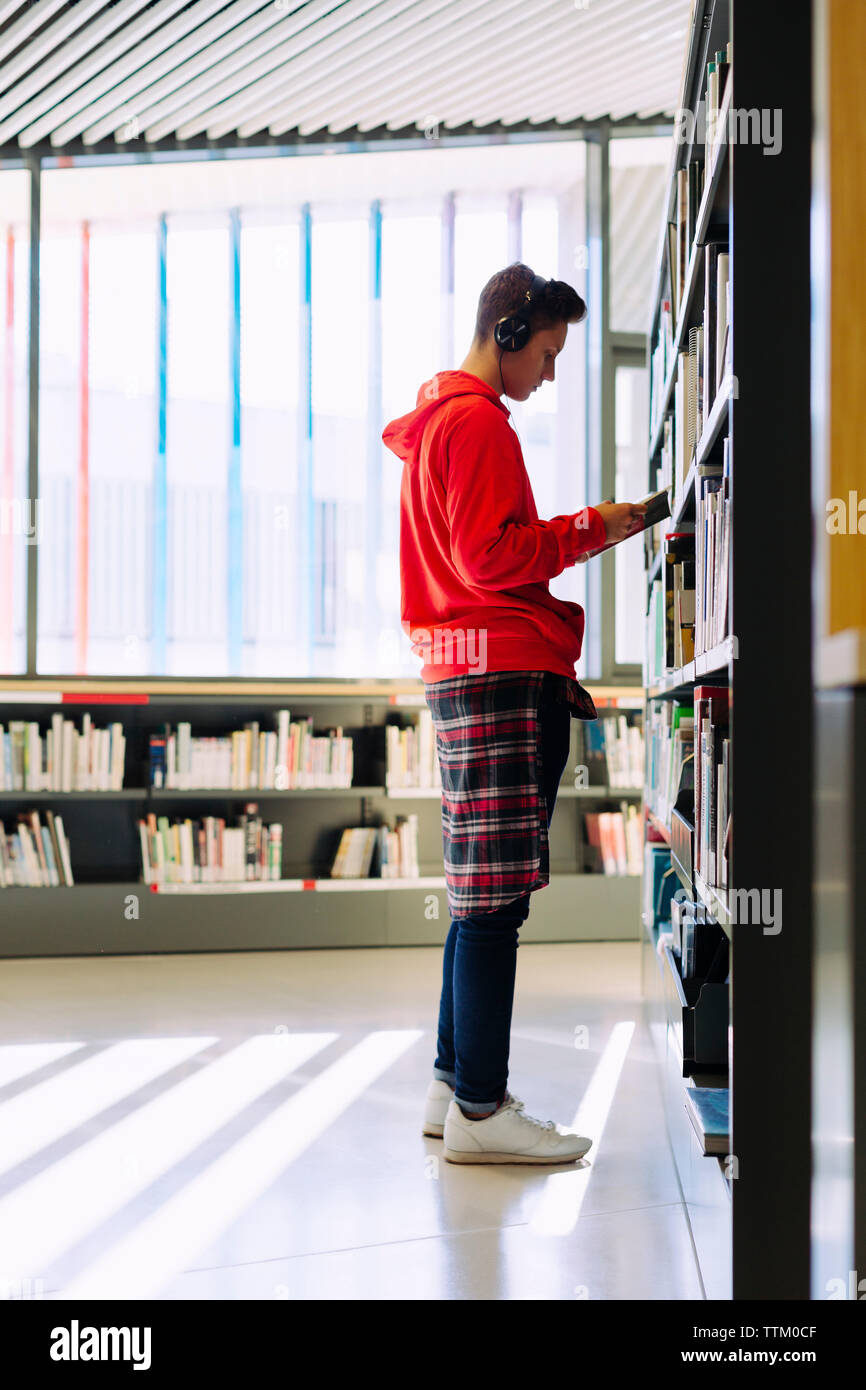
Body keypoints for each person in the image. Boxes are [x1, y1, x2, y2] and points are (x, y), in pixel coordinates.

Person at [381, 263, 646, 1165]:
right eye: (547, 352)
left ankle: (453, 1085)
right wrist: (594, 526)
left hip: (461, 674)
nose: (550, 374)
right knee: (495, 906)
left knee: (472, 896)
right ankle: (484, 1118)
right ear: (507, 335)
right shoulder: (478, 425)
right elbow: (493, 558)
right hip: (501, 672)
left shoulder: (431, 431)